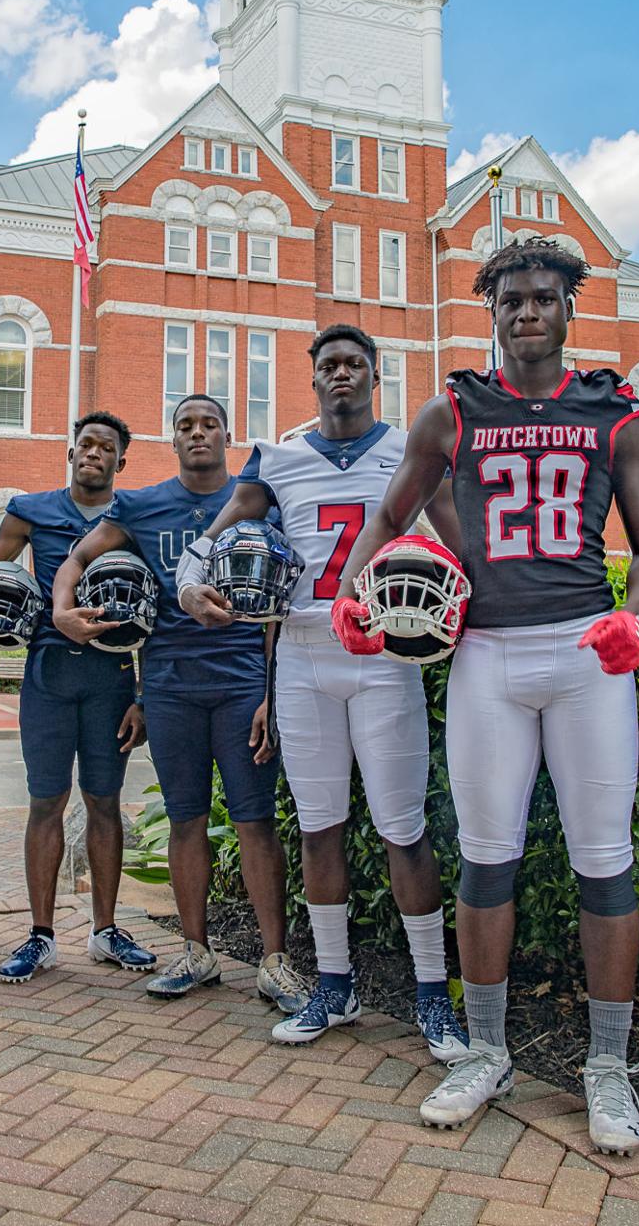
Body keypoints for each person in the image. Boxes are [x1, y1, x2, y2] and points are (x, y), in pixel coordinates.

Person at [337, 240, 639, 1156]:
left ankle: (608, 1066)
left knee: (605, 859)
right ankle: (486, 1050)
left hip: (583, 652)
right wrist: (351, 592)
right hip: (485, 651)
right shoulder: (454, 409)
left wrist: (634, 620)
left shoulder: (615, 412)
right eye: (511, 300)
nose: (527, 312)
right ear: (491, 310)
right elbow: (391, 512)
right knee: (488, 858)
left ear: (569, 308)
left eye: (543, 298)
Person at [178, 327, 466, 1054]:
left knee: (403, 826)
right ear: (313, 380)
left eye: (355, 364)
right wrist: (188, 582)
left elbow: (464, 540)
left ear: (376, 374)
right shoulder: (277, 456)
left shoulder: (411, 446)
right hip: (304, 652)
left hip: (380, 647)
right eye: (329, 365)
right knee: (318, 824)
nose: (342, 374)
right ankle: (335, 984)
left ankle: (434, 993)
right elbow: (220, 529)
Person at [53, 395, 309, 1012]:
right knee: (186, 818)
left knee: (255, 820)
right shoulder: (142, 505)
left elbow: (279, 605)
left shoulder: (256, 501)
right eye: (185, 426)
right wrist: (63, 611)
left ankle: (275, 961)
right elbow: (77, 559)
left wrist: (272, 693)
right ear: (173, 441)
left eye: (209, 425)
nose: (198, 434)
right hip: (170, 687)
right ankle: (197, 952)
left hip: (242, 682)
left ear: (228, 435)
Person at [0, 411, 155, 982]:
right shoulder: (33, 510)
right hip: (48, 674)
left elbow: (155, 613)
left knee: (105, 801)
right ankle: (41, 934)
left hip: (111, 677)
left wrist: (143, 693)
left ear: (120, 461)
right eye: (85, 444)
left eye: (105, 447)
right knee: (46, 802)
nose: (93, 454)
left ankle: (104, 930)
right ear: (71, 452)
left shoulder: (134, 516)